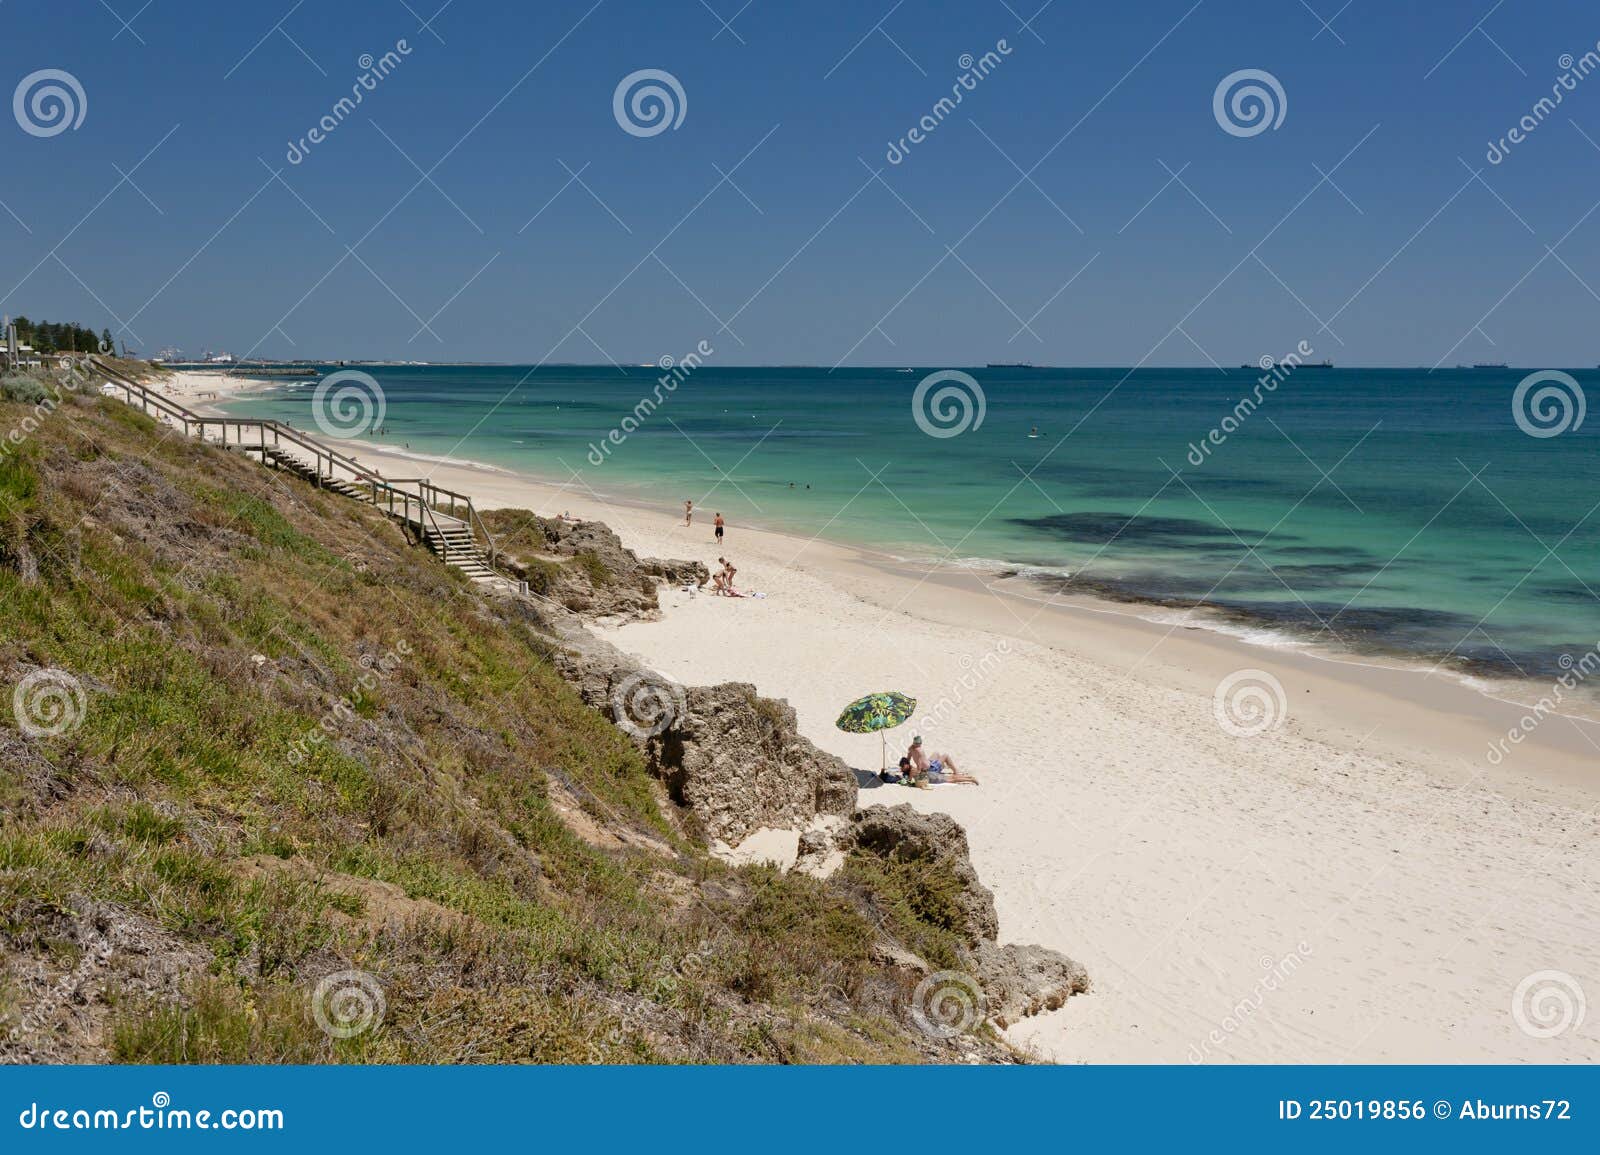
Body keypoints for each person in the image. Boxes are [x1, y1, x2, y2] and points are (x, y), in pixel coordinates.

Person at [905, 735, 979, 785]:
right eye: (919, 744)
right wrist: (919, 775)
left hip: (929, 765)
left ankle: (943, 765)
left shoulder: (911, 748)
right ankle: (956, 771)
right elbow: (919, 765)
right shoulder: (920, 751)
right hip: (931, 769)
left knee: (936, 753)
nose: (920, 745)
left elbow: (908, 759)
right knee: (946, 755)